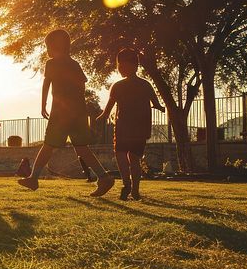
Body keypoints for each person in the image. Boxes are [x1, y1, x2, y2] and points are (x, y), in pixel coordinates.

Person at [18, 29, 114, 196]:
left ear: (54, 46)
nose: (47, 50)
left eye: (48, 46)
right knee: (82, 148)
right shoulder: (74, 64)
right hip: (78, 112)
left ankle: (33, 178)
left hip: (61, 112)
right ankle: (104, 177)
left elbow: (46, 84)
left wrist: (43, 104)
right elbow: (82, 85)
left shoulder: (52, 63)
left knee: (48, 145)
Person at [96, 48, 165, 200]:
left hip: (131, 127)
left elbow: (155, 102)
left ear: (135, 65)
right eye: (119, 65)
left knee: (127, 157)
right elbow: (109, 107)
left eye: (123, 65)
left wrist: (104, 116)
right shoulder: (141, 84)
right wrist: (103, 116)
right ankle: (131, 187)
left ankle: (131, 187)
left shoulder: (134, 85)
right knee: (130, 157)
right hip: (129, 127)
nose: (120, 68)